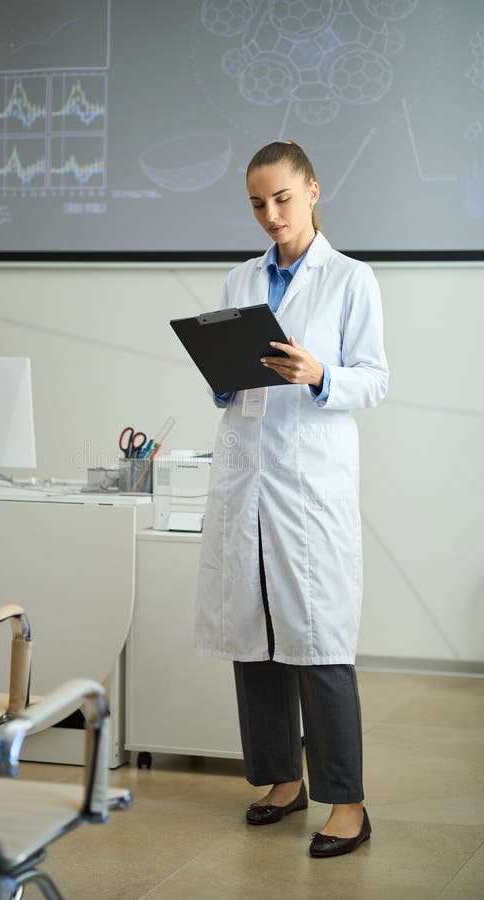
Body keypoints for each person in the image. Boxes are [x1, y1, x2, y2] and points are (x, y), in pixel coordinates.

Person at [194, 140, 388, 858]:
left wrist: (318, 372)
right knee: (256, 634)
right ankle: (281, 781)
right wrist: (221, 373)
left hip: (311, 483)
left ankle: (348, 801)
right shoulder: (240, 279)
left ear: (312, 191)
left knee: (319, 639)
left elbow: (373, 377)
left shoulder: (350, 280)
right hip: (249, 474)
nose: (269, 214)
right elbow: (229, 383)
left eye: (280, 198)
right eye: (256, 203)